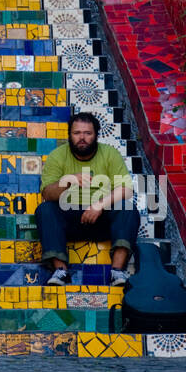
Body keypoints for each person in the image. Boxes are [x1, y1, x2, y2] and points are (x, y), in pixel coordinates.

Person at [36, 112, 139, 287]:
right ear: (69, 135)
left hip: (103, 220)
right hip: (69, 221)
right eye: (77, 133)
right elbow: (47, 194)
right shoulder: (57, 156)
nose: (82, 138)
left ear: (96, 135)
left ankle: (117, 271)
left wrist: (99, 205)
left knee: (128, 207)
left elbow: (127, 189)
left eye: (87, 133)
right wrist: (68, 181)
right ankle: (60, 271)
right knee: (45, 209)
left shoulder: (110, 154)